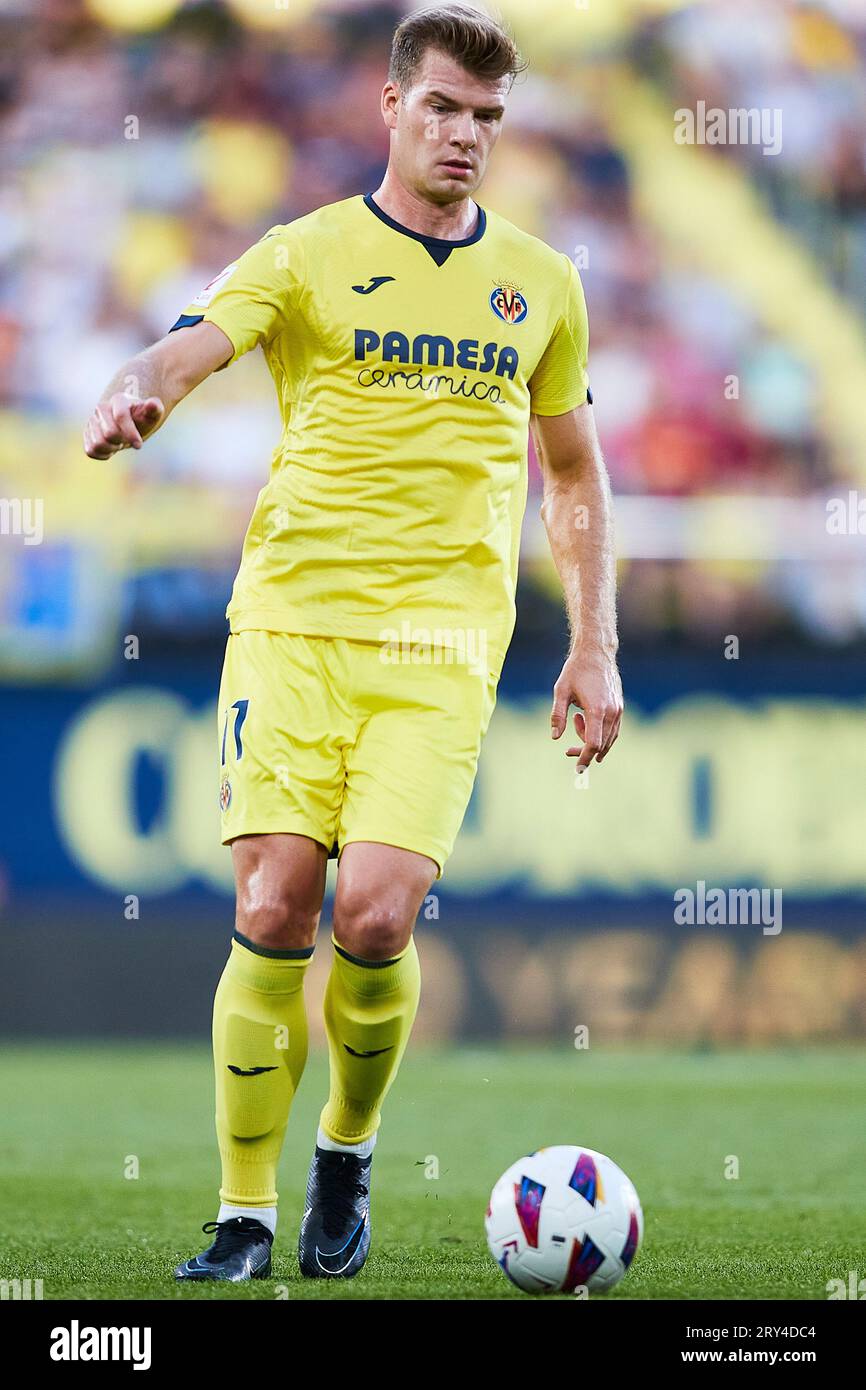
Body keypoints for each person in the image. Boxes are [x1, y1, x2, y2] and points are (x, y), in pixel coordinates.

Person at [83, 2, 622, 1283]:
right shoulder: (310, 250)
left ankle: (348, 1146)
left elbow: (574, 473)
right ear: (390, 106)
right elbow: (202, 337)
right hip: (289, 626)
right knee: (273, 897)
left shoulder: (541, 283)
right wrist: (145, 382)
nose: (465, 136)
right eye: (441, 107)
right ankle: (244, 1213)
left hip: (442, 646)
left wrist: (592, 642)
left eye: (487, 118)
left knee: (374, 916)